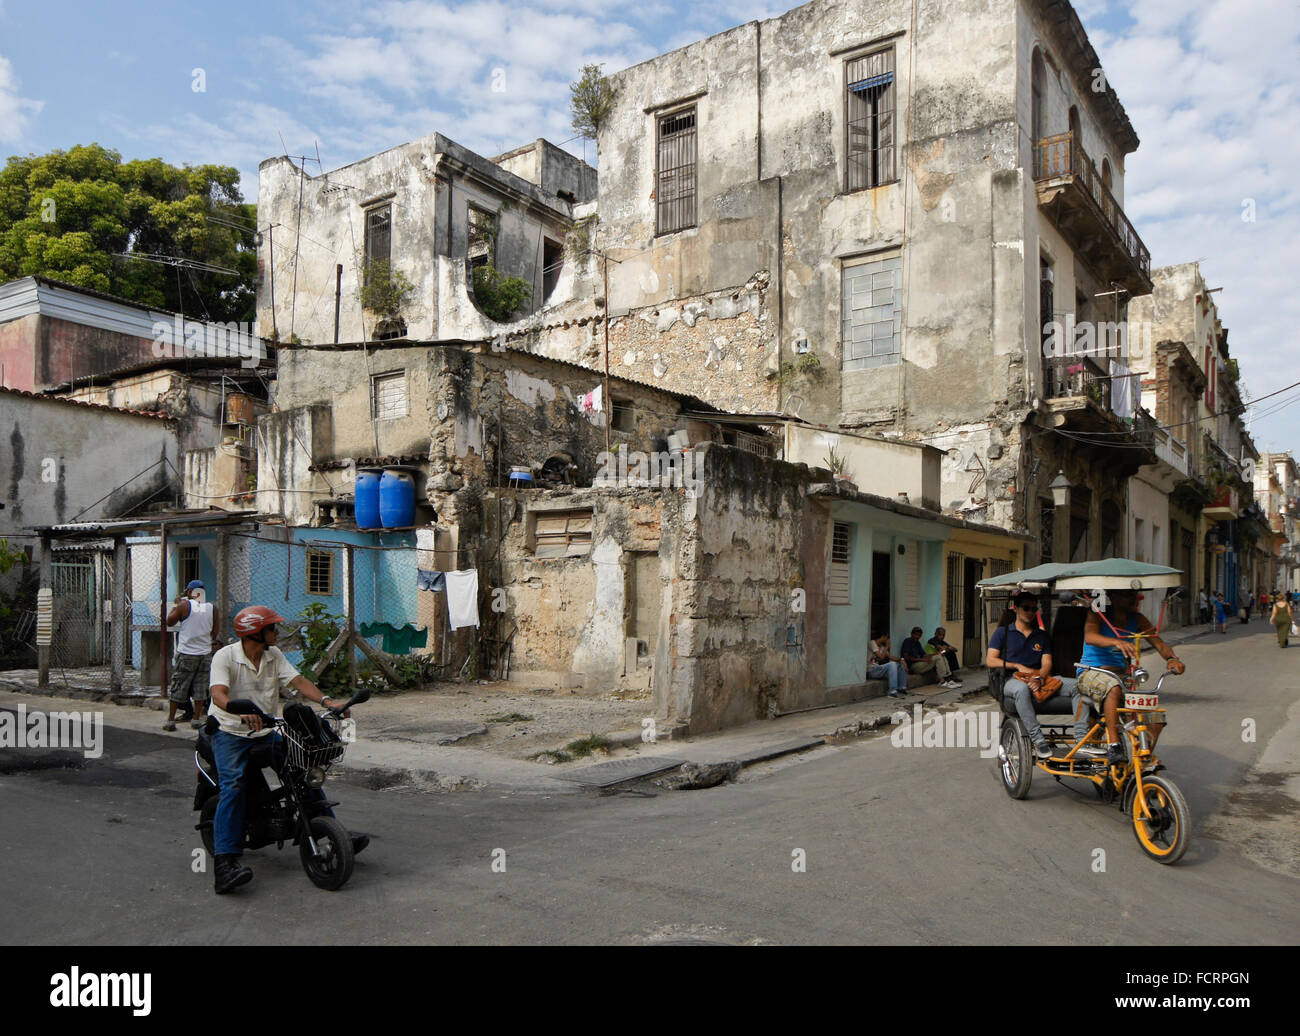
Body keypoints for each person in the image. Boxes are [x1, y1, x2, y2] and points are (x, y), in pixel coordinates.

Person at [208, 605, 367, 894]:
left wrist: (327, 701)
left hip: (266, 732)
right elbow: (218, 693)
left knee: (303, 768)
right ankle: (224, 864)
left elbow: (299, 682)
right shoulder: (225, 656)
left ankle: (331, 833)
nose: (277, 632)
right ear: (255, 632)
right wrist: (237, 710)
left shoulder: (274, 655)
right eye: (272, 628)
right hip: (229, 732)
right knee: (233, 787)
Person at [1077, 588, 1185, 766]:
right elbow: (1090, 637)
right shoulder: (1098, 613)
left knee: (1155, 717)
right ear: (1113, 596)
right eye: (1127, 594)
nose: (1133, 599)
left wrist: (1172, 659)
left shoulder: (1138, 619)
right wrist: (1117, 642)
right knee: (1113, 687)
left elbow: (1158, 643)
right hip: (1091, 672)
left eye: (1134, 595)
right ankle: (1114, 745)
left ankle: (1142, 759)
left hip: (1122, 677)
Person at [986, 591, 1085, 760]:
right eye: (1026, 608)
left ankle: (1082, 739)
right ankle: (1038, 740)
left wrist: (1039, 678)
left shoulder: (1041, 636)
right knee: (1022, 690)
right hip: (1012, 680)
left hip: (1040, 679)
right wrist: (1016, 666)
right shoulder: (1003, 633)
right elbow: (990, 660)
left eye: (1034, 609)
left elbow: (1047, 663)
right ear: (1016, 609)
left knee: (1079, 686)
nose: (1030, 612)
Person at [164, 579, 218, 732]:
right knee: (200, 687)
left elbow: (169, 621)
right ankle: (196, 719)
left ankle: (170, 720)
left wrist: (177, 605)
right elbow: (214, 632)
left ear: (189, 592)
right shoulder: (212, 609)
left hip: (187, 653)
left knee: (179, 686)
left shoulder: (184, 605)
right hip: (205, 654)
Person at [868, 632, 910, 698]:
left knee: (899, 665)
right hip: (871, 671)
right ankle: (892, 692)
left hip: (878, 669)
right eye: (887, 638)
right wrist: (887, 646)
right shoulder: (872, 643)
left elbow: (891, 657)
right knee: (892, 664)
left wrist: (901, 660)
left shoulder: (882, 647)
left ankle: (902, 688)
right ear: (883, 636)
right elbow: (881, 657)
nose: (888, 640)